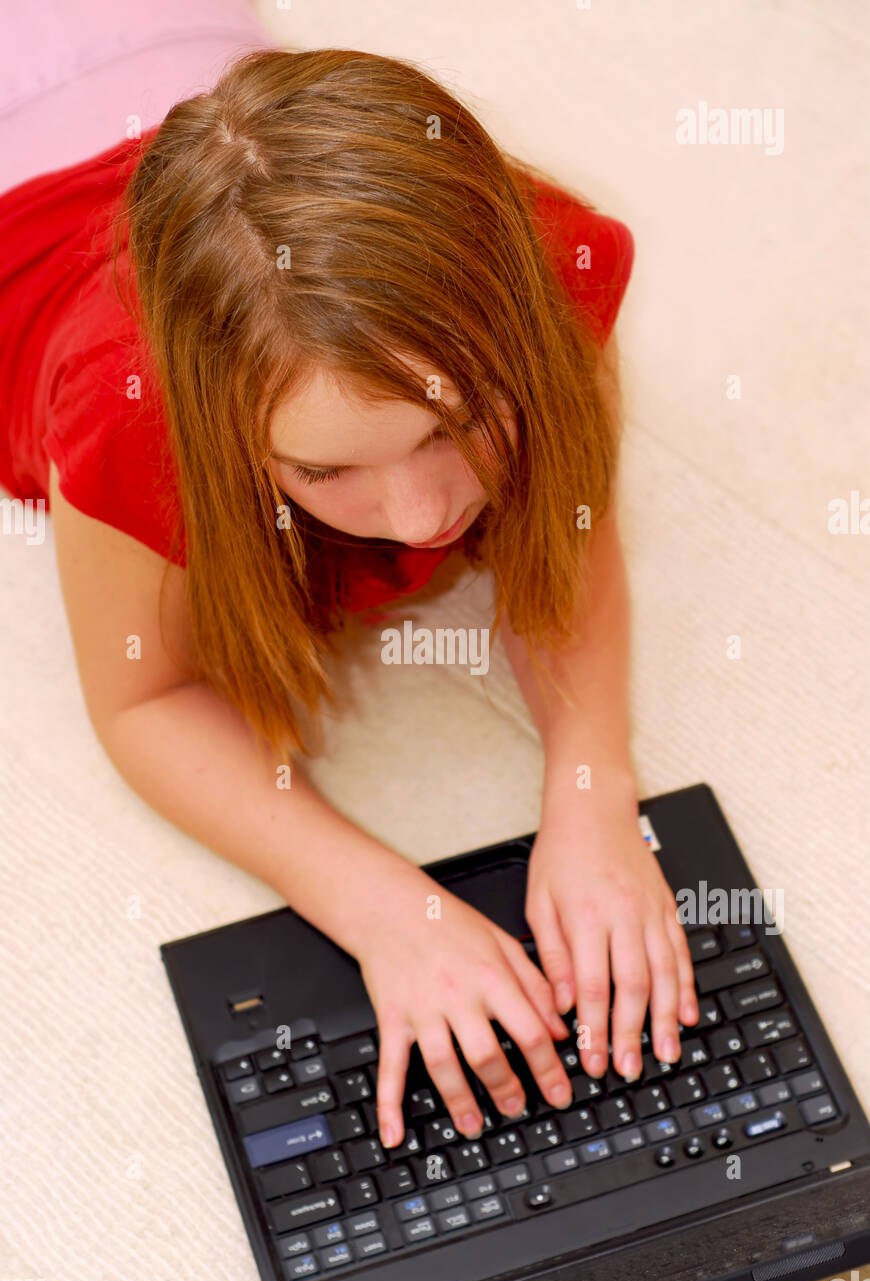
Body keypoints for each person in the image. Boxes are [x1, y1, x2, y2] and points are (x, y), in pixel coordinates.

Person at [0, 6, 698, 1154]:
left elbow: (566, 542)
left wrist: (593, 789)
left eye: (455, 425)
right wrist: (380, 905)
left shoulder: (548, 264)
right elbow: (143, 700)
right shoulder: (127, 418)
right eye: (324, 470)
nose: (425, 521)